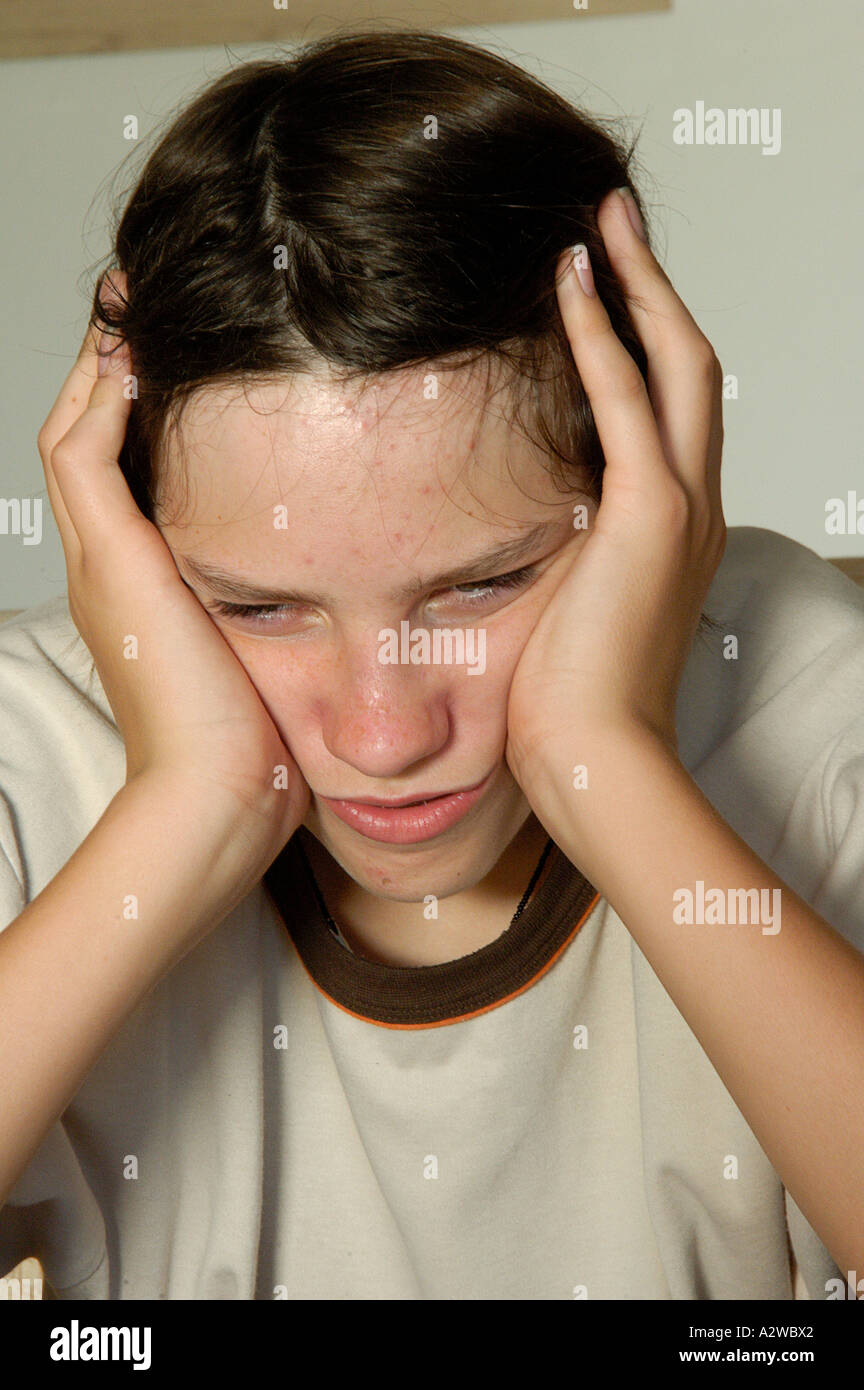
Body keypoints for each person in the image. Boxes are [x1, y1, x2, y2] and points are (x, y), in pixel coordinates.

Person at [1, 28, 863, 1302]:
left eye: (486, 583)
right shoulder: (30, 759)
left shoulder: (809, 692)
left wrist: (603, 760)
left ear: (651, 493)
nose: (386, 729)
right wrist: (189, 803)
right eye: (258, 608)